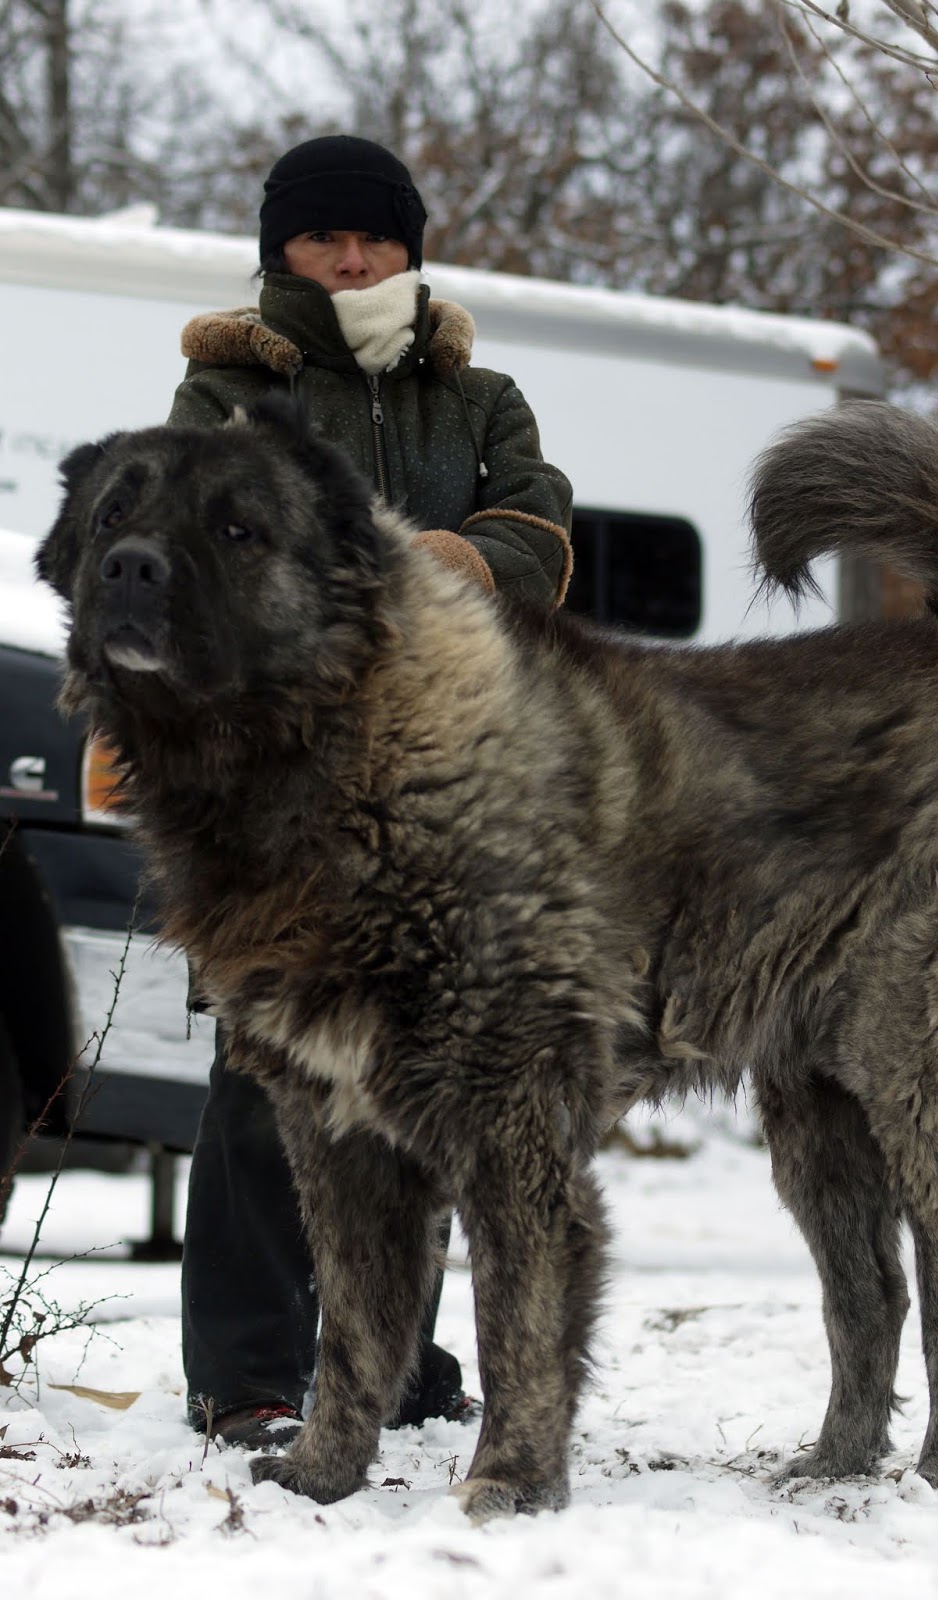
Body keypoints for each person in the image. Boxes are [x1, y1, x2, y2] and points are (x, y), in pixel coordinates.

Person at [169, 134, 574, 1450]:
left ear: (410, 247)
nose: (353, 259)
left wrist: (459, 558)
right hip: (273, 792)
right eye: (323, 238)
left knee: (417, 1079)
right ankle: (247, 1372)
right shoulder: (223, 391)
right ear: (281, 251)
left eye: (376, 237)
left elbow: (540, 531)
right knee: (265, 1083)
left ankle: (386, 1361)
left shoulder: (483, 400)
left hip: (443, 796)